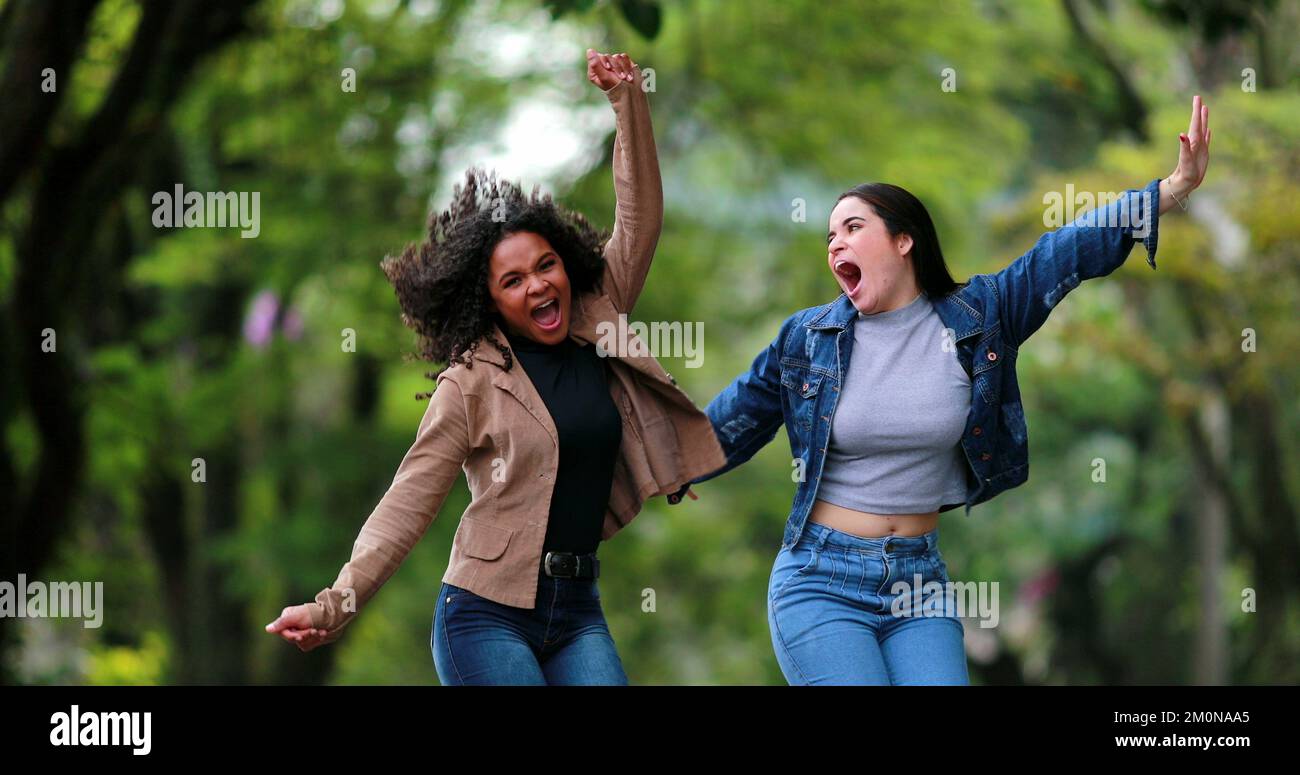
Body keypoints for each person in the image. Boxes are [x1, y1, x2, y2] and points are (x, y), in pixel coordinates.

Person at [672, 96, 1213, 685]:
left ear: (904, 241)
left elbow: (1067, 251)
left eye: (854, 227)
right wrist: (671, 467)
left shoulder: (982, 314)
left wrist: (1172, 187)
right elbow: (734, 416)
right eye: (830, 235)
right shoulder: (808, 338)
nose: (835, 244)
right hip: (820, 581)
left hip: (918, 584)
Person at [266, 49, 726, 685]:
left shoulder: (600, 316)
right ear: (491, 302)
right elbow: (407, 504)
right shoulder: (470, 382)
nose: (538, 286)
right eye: (514, 280)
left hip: (579, 610)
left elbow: (640, 218)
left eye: (546, 266)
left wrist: (629, 104)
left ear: (567, 264)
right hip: (484, 615)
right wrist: (334, 606)